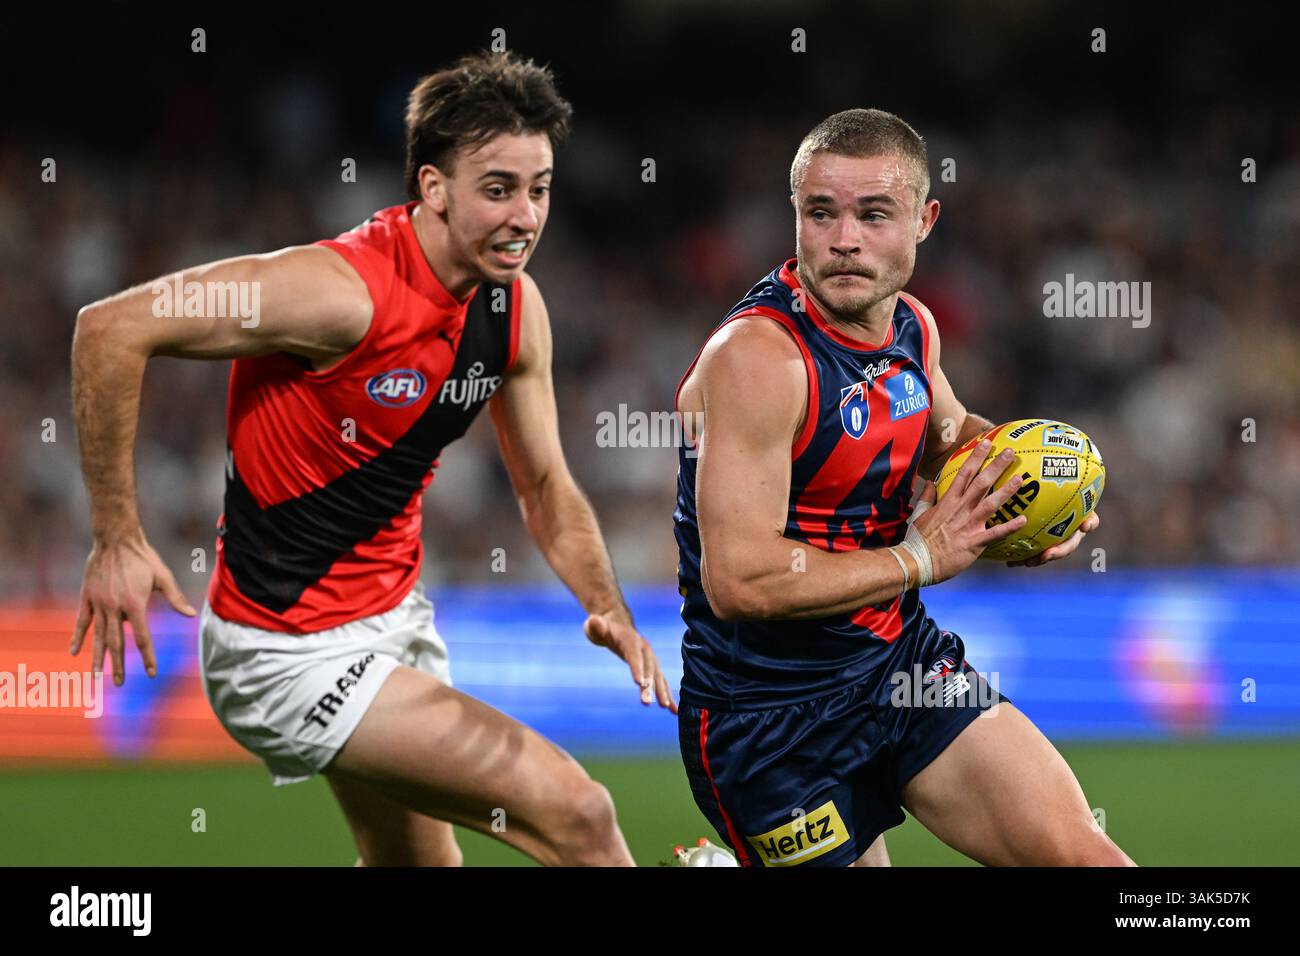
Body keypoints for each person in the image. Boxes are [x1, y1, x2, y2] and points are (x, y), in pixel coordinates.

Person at [69, 50, 675, 867]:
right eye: (498, 189)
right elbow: (110, 329)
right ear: (433, 187)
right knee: (579, 813)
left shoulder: (513, 311)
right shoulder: (335, 292)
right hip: (285, 649)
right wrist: (116, 536)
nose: (525, 216)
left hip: (393, 620)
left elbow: (542, 485)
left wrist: (608, 605)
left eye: (539, 189)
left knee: (419, 865)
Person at [672, 108, 1133, 867]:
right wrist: (919, 557)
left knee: (1089, 860)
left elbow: (948, 437)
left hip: (900, 668)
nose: (844, 239)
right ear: (795, 216)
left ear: (925, 220)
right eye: (822, 213)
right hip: (766, 722)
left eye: (874, 214)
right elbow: (739, 580)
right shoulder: (758, 360)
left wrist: (1034, 491)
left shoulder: (912, 327)